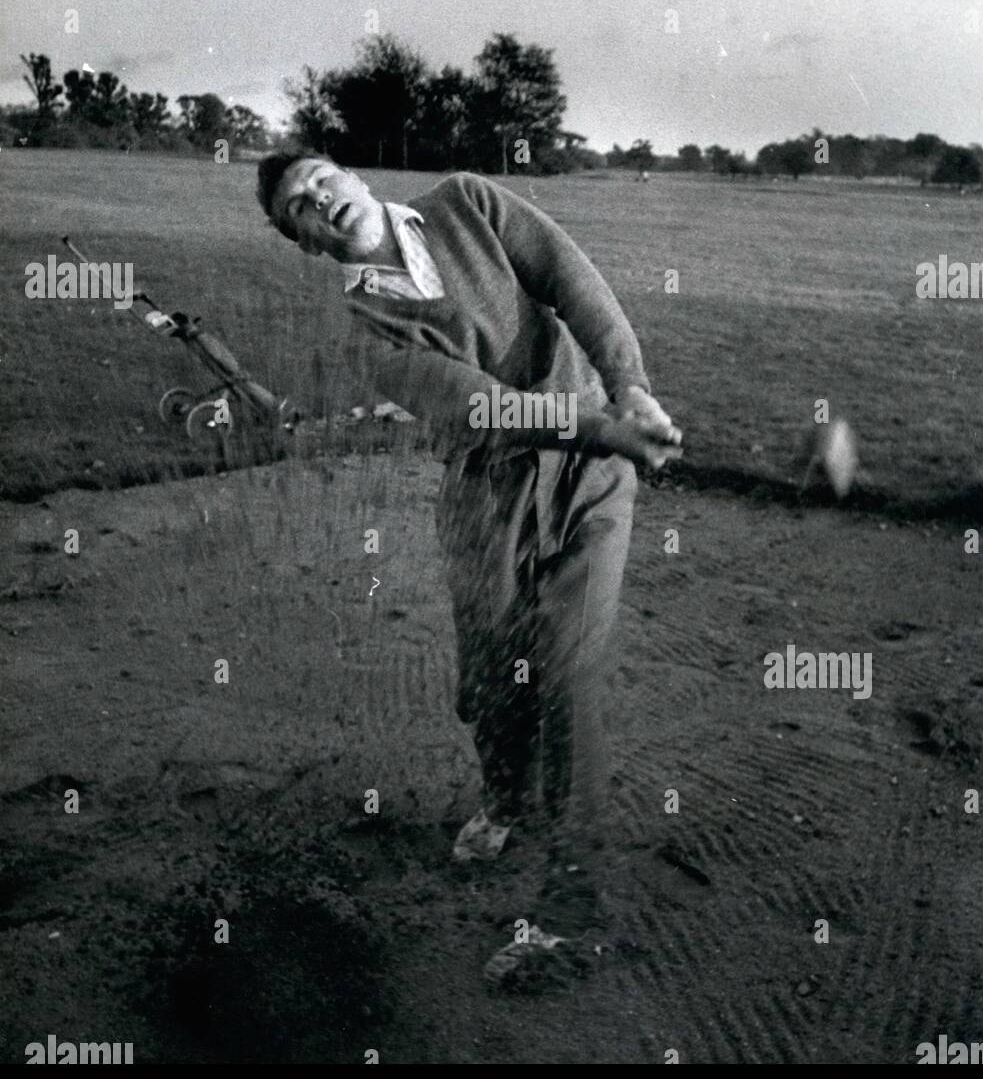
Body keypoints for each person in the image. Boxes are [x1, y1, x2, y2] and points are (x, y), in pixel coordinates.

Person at [257, 154, 682, 985]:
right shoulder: (370, 336)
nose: (317, 199)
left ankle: (572, 915)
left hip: (593, 481)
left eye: (318, 178)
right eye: (297, 208)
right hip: (490, 491)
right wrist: (600, 423)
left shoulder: (467, 203)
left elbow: (571, 278)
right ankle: (506, 799)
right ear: (304, 243)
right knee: (489, 674)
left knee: (566, 675)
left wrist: (628, 387)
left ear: (351, 174)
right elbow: (483, 409)